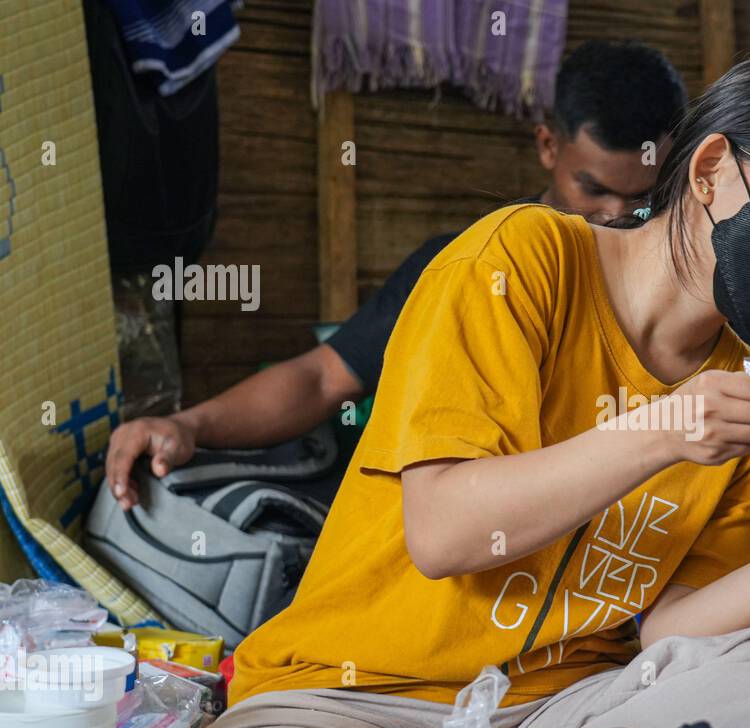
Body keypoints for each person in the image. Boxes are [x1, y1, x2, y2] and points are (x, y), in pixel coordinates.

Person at [142, 51, 750, 728]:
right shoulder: (518, 261)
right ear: (709, 170)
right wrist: (664, 428)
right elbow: (444, 532)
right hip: (349, 701)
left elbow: (670, 634)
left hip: (564, 723)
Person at [104, 40, 695, 508]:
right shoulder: (464, 267)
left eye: (644, 197)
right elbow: (321, 381)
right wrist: (187, 423)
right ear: (547, 146)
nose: (616, 216)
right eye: (592, 189)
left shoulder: (691, 290)